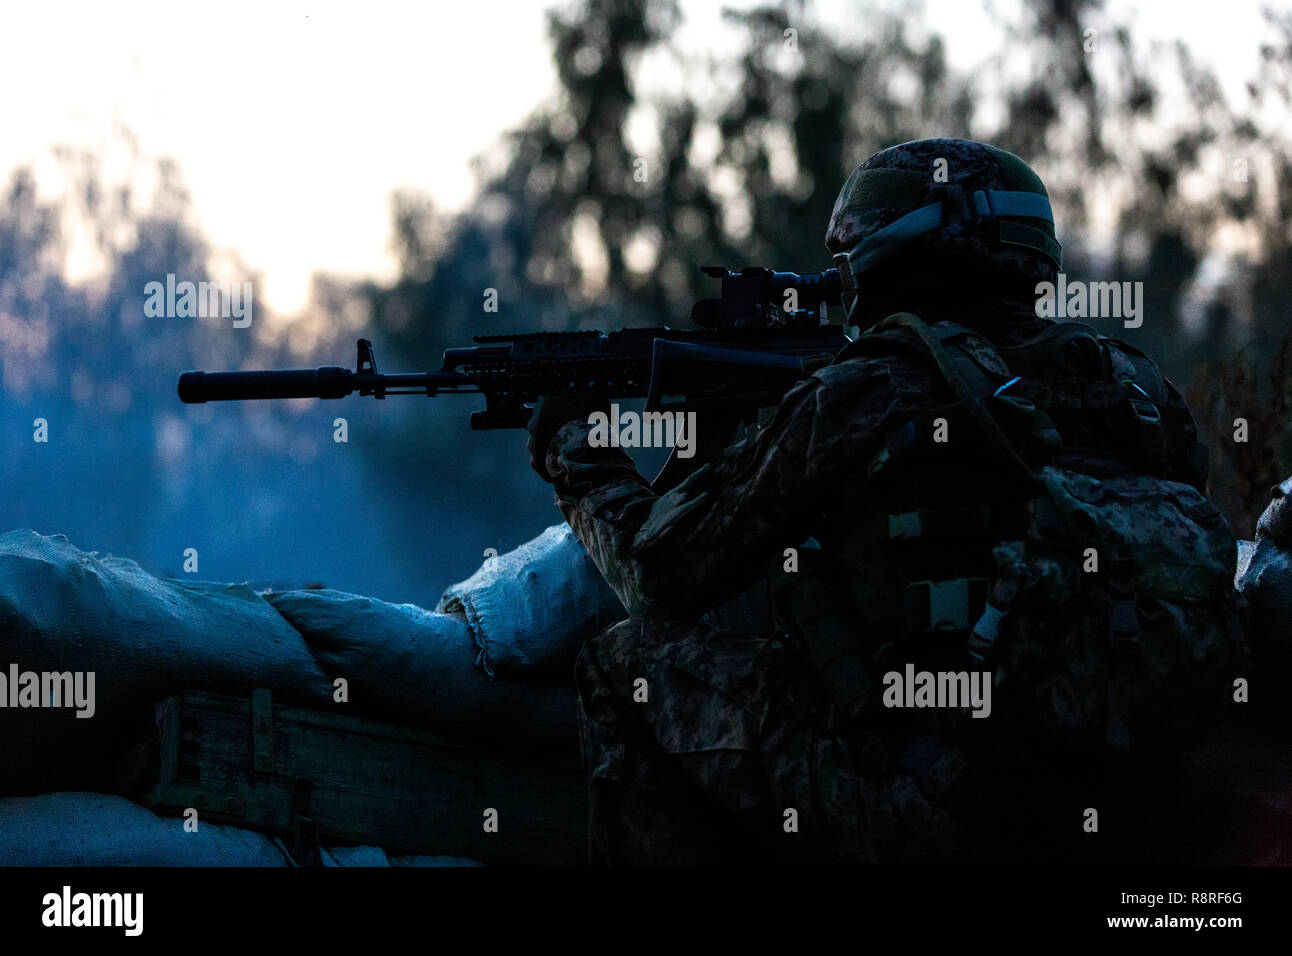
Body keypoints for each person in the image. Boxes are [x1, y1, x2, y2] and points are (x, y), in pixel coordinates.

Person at [526, 138, 1244, 865]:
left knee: (625, 665)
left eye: (847, 257)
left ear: (890, 255)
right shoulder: (1141, 393)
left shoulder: (869, 388)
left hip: (933, 806)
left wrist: (581, 458)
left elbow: (660, 578)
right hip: (1133, 801)